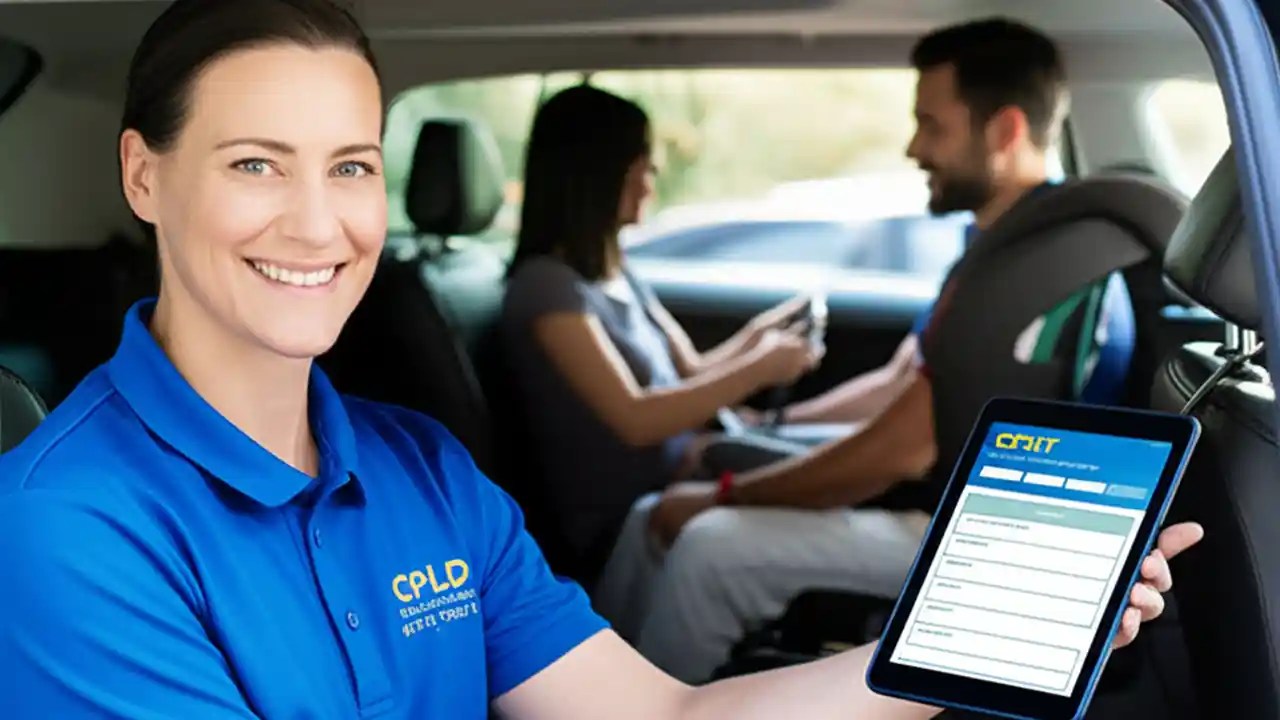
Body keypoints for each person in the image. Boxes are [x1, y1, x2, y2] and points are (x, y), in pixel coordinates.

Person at [0, 2, 1194, 717]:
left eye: (351, 165)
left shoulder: (423, 472)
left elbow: (663, 710)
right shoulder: (68, 523)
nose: (320, 224)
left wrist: (970, 648)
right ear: (144, 176)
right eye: (257, 163)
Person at [592, 17, 1152, 683]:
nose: (915, 147)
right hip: (934, 500)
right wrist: (764, 429)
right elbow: (900, 382)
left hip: (981, 533)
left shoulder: (1042, 272)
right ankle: (588, 683)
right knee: (653, 511)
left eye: (933, 125)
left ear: (1003, 132)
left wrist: (727, 497)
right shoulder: (997, 249)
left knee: (705, 547)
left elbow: (903, 447)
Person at [500, 84, 828, 577]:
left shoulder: (616, 271)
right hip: (623, 519)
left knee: (826, 465)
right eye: (643, 168)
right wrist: (759, 369)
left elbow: (688, 370)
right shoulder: (547, 288)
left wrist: (759, 335)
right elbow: (635, 419)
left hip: (685, 470)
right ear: (599, 176)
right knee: (820, 485)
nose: (651, 183)